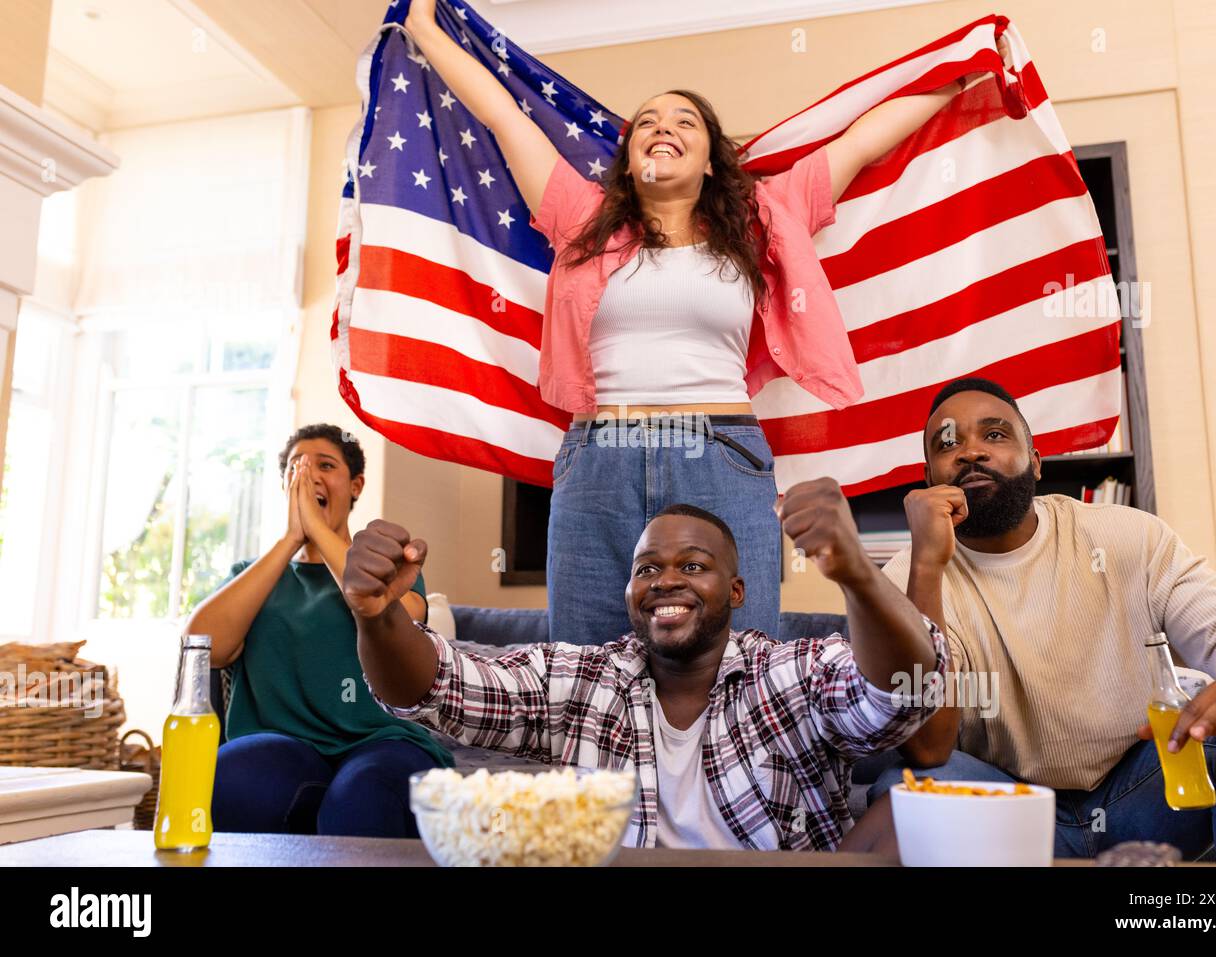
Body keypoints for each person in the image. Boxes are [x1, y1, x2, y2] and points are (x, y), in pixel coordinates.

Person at [402, 0, 1013, 646]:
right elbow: (501, 115)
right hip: (598, 461)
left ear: (712, 161)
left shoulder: (763, 218)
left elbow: (859, 143)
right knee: (582, 666)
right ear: (627, 156)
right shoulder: (579, 218)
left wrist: (962, 72)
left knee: (739, 659)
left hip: (718, 453)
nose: (663, 127)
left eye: (684, 120)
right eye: (647, 123)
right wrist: (421, 27)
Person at [342, 476, 949, 850]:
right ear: (628, 593)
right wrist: (378, 615)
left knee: (912, 812)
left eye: (692, 566)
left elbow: (903, 694)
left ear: (737, 592)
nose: (666, 581)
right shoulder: (583, 681)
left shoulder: (785, 672)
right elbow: (440, 689)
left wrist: (858, 577)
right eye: (647, 569)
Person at [841, 378, 1216, 863]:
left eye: (994, 435)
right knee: (908, 788)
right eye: (948, 444)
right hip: (1013, 810)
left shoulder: (1124, 534)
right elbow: (928, 747)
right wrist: (928, 566)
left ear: (1036, 463)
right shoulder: (908, 576)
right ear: (930, 478)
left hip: (1145, 795)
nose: (971, 452)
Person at [187, 424, 452, 838]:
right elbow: (204, 647)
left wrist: (320, 530)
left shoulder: (392, 567)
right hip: (280, 745)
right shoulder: (251, 577)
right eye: (297, 469)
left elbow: (399, 620)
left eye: (325, 466)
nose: (310, 477)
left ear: (356, 485)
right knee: (234, 779)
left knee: (362, 800)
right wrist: (293, 538)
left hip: (383, 742)